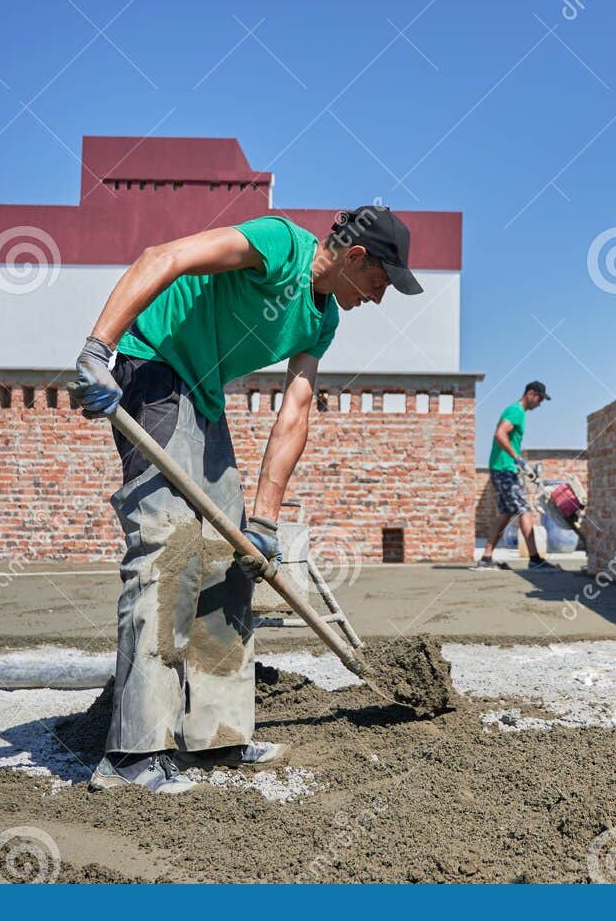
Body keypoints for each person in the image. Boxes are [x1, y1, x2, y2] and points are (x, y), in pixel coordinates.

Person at [68, 206, 421, 793]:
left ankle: (216, 736)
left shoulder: (323, 319)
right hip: (151, 363)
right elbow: (163, 258)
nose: (380, 299)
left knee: (233, 559)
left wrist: (263, 521)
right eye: (382, 283)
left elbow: (295, 412)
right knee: (169, 548)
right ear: (357, 257)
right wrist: (97, 351)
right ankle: (133, 754)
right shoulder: (280, 244)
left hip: (203, 394)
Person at [474, 380, 552, 570]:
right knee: (524, 509)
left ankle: (486, 557)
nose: (539, 404)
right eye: (539, 399)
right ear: (531, 394)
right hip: (505, 468)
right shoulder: (516, 411)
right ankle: (535, 559)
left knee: (506, 513)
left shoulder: (519, 412)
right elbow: (499, 434)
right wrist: (517, 458)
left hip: (503, 468)